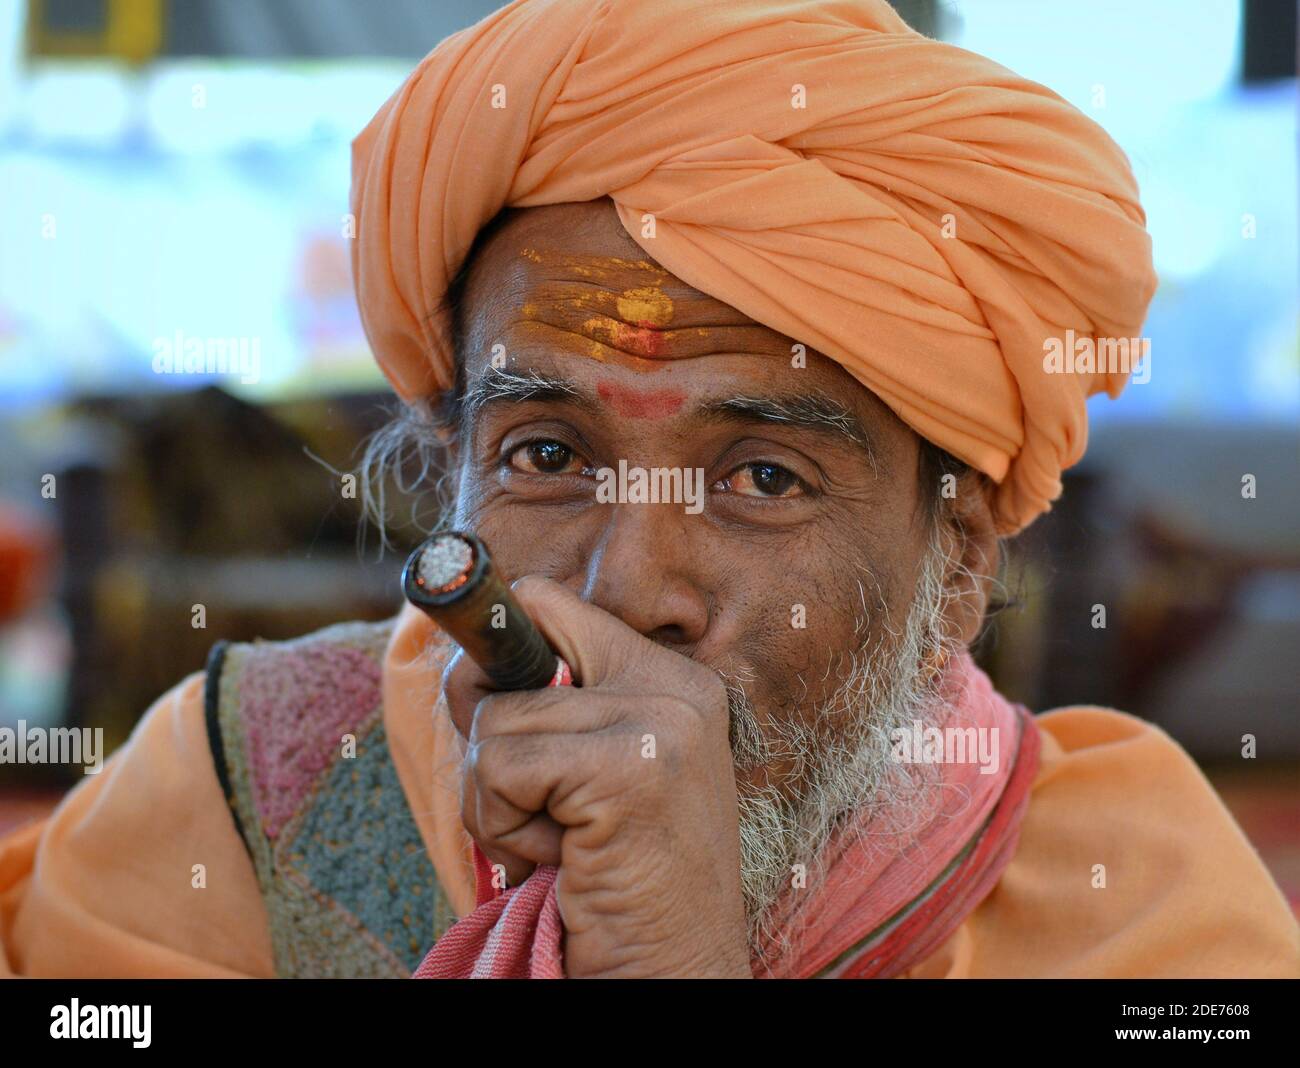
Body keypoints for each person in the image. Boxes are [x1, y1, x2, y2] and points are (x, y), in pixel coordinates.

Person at [2, 0, 1296, 979]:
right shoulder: (235, 798)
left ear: (956, 561)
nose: (631, 586)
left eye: (765, 476)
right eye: (547, 457)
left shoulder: (1130, 898)